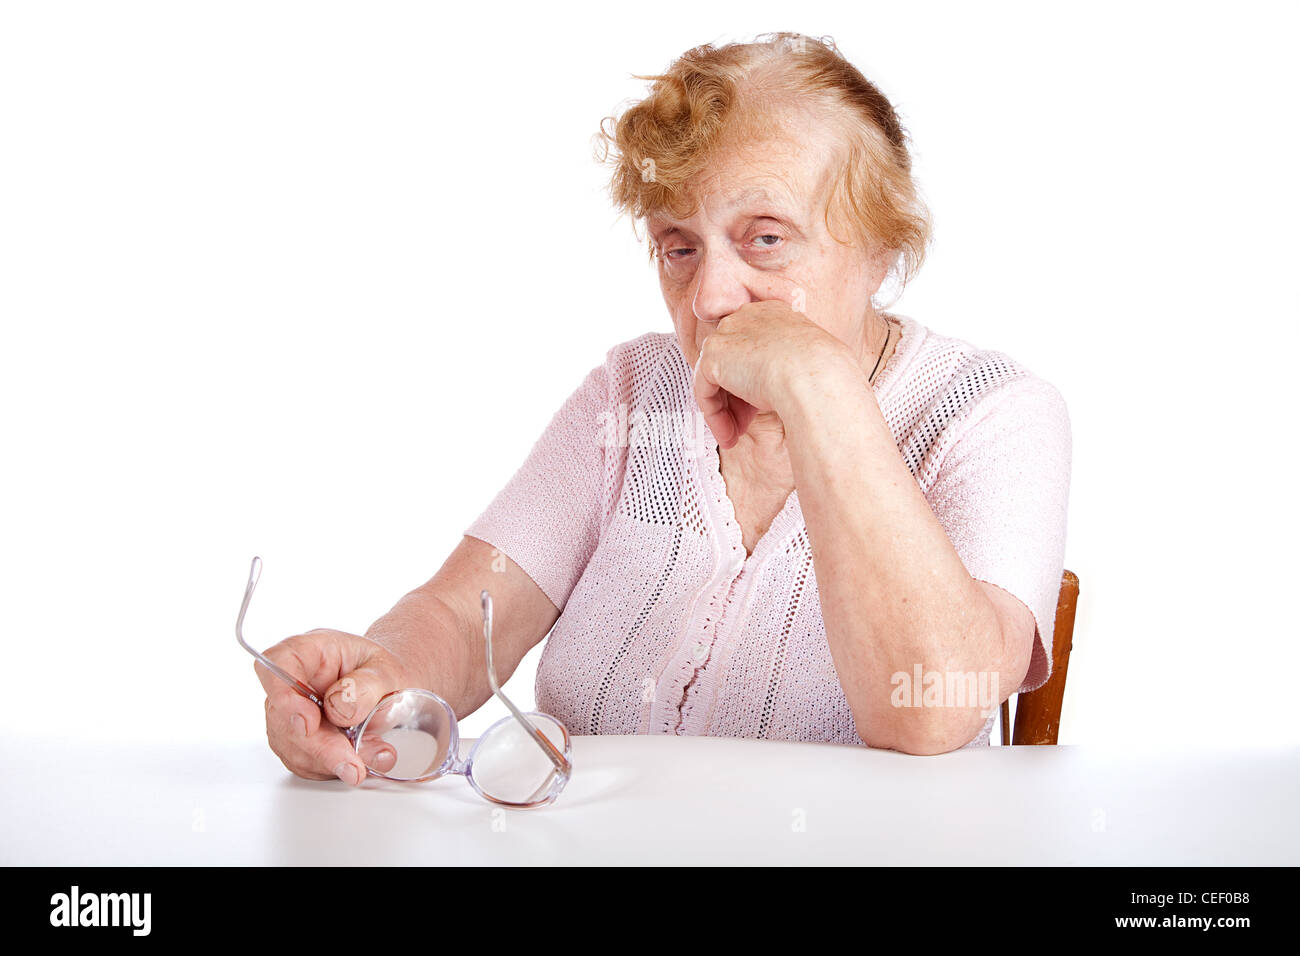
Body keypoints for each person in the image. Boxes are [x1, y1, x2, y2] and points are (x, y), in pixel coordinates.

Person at [254, 32, 1071, 785]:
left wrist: (820, 391)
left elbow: (926, 709)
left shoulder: (995, 416)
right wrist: (382, 678)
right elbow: (465, 615)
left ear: (883, 245)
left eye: (765, 237)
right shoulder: (633, 393)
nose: (711, 296)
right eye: (679, 247)